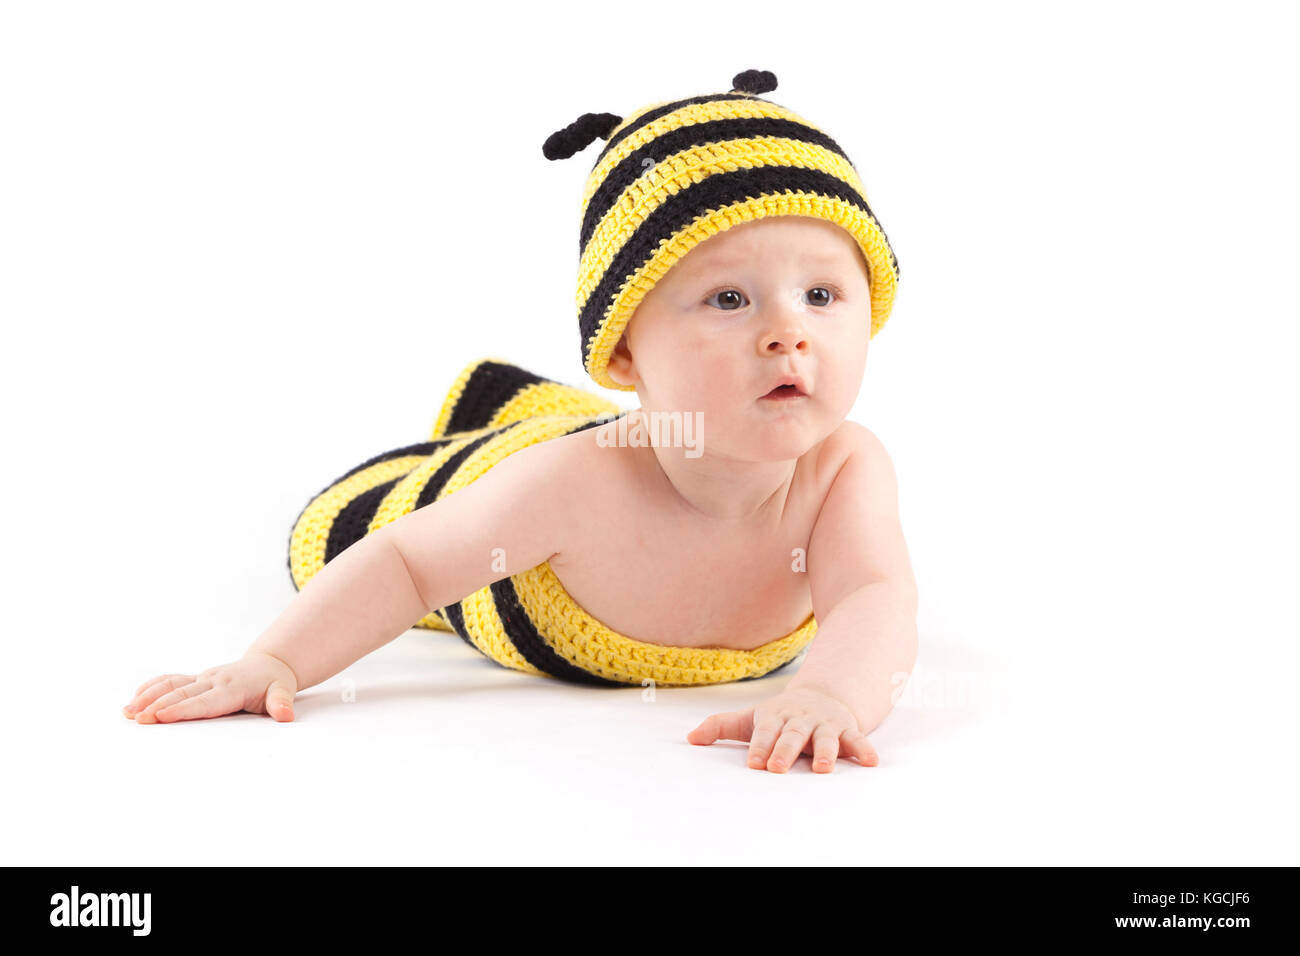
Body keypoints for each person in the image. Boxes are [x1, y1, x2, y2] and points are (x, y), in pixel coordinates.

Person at [122, 68, 919, 774]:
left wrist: (830, 695)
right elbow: (408, 563)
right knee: (410, 506)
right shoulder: (574, 487)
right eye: (728, 299)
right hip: (514, 547)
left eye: (822, 295)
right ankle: (490, 429)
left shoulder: (845, 468)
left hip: (637, 437)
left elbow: (874, 596)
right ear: (624, 355)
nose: (789, 332)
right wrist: (274, 661)